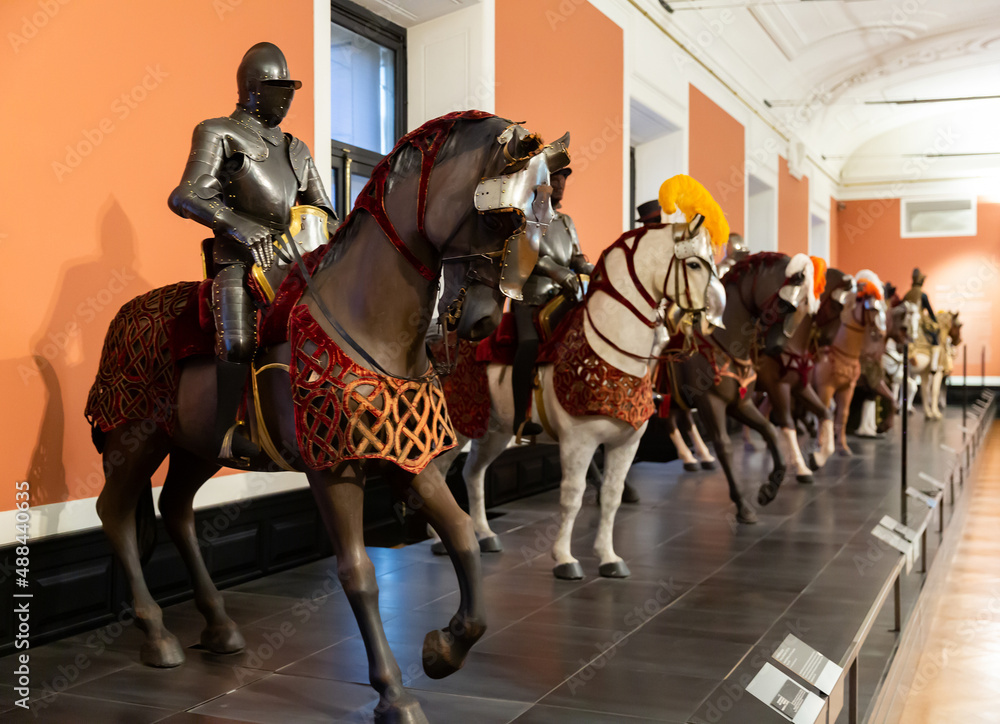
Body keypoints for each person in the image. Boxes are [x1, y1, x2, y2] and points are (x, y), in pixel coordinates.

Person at [169, 42, 336, 466]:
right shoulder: (219, 132)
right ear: (252, 88)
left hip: (293, 265)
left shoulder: (297, 149)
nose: (286, 97)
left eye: (289, 89)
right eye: (278, 88)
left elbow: (324, 211)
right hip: (239, 261)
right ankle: (226, 431)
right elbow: (185, 195)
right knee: (239, 340)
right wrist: (236, 224)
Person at [511, 161, 593, 437]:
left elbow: (576, 258)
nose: (559, 183)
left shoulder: (566, 221)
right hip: (530, 297)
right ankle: (520, 418)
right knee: (529, 345)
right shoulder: (526, 216)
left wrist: (594, 269)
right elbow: (528, 254)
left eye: (563, 178)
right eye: (554, 177)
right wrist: (558, 272)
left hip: (563, 297)